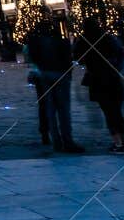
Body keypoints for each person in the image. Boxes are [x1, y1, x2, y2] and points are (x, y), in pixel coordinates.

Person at [25, 21, 82, 153]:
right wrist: (68, 75)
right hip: (60, 76)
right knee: (63, 110)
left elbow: (33, 59)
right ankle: (67, 141)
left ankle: (56, 142)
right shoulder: (61, 42)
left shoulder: (35, 43)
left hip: (44, 76)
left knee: (49, 110)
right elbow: (68, 60)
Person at [78, 19, 124, 153]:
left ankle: (118, 143)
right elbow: (122, 54)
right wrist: (116, 68)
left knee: (109, 111)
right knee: (116, 110)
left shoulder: (84, 40)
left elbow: (78, 58)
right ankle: (123, 141)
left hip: (98, 79)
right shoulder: (108, 37)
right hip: (113, 78)